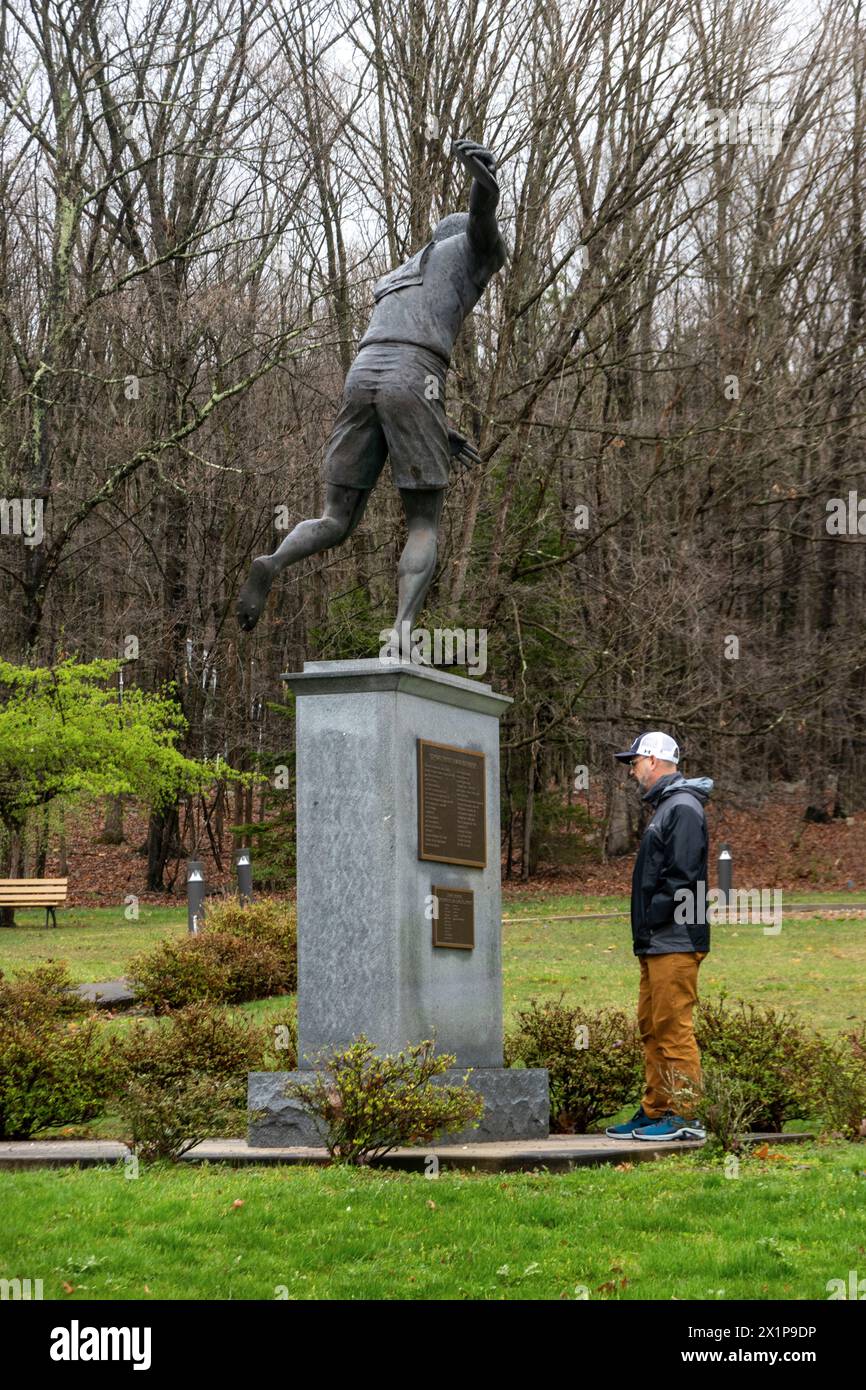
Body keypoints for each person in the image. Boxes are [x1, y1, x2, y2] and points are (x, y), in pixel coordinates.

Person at [236, 137, 507, 653]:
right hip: (413, 370)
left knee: (336, 518)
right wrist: (482, 181)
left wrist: (437, 427)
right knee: (424, 521)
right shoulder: (467, 253)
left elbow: (391, 375)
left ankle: (274, 561)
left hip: (362, 374)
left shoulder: (399, 276)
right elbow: (482, 224)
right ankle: (403, 633)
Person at [605, 731, 713, 1141]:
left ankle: (686, 1114)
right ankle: (657, 1109)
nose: (632, 772)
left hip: (676, 937)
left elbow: (683, 879)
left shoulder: (682, 808)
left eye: (634, 763)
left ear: (653, 760)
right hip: (659, 940)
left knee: (672, 1027)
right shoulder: (669, 807)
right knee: (652, 1026)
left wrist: (651, 918)